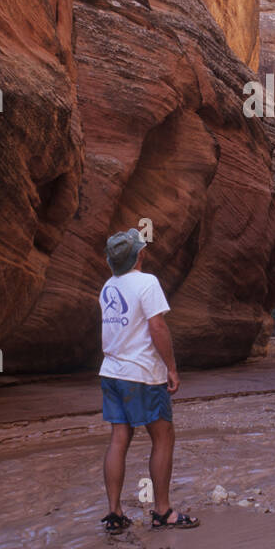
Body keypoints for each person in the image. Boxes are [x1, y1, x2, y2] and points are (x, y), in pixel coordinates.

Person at [98, 228, 199, 533]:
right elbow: (157, 327)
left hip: (111, 372)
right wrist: (171, 367)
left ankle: (115, 514)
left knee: (119, 439)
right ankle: (163, 512)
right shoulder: (147, 282)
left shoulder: (107, 286)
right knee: (163, 436)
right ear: (139, 255)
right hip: (142, 374)